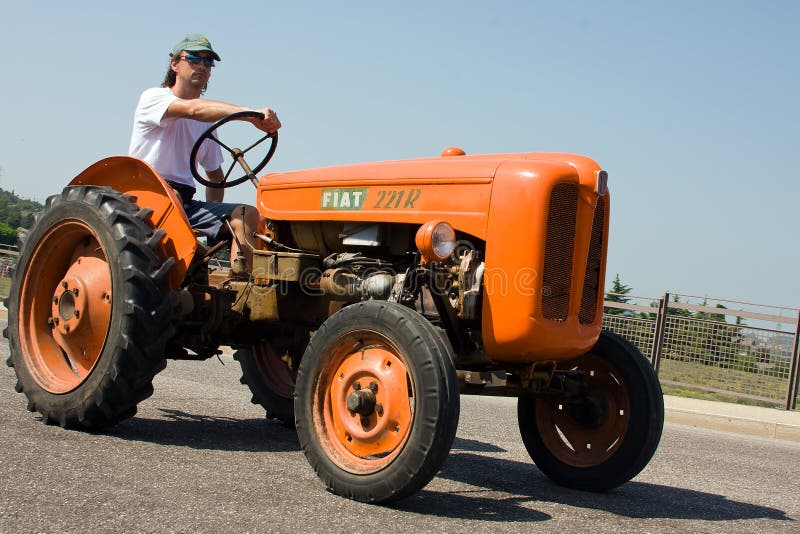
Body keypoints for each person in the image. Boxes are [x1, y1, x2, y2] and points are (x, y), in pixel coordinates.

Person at [128, 34, 280, 274]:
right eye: (194, 58)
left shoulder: (207, 123)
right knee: (174, 198)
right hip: (149, 194)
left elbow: (215, 175)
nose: (202, 65)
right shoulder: (154, 98)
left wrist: (216, 224)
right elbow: (192, 109)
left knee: (246, 214)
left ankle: (242, 284)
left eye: (208, 62)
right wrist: (249, 114)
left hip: (185, 201)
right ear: (175, 64)